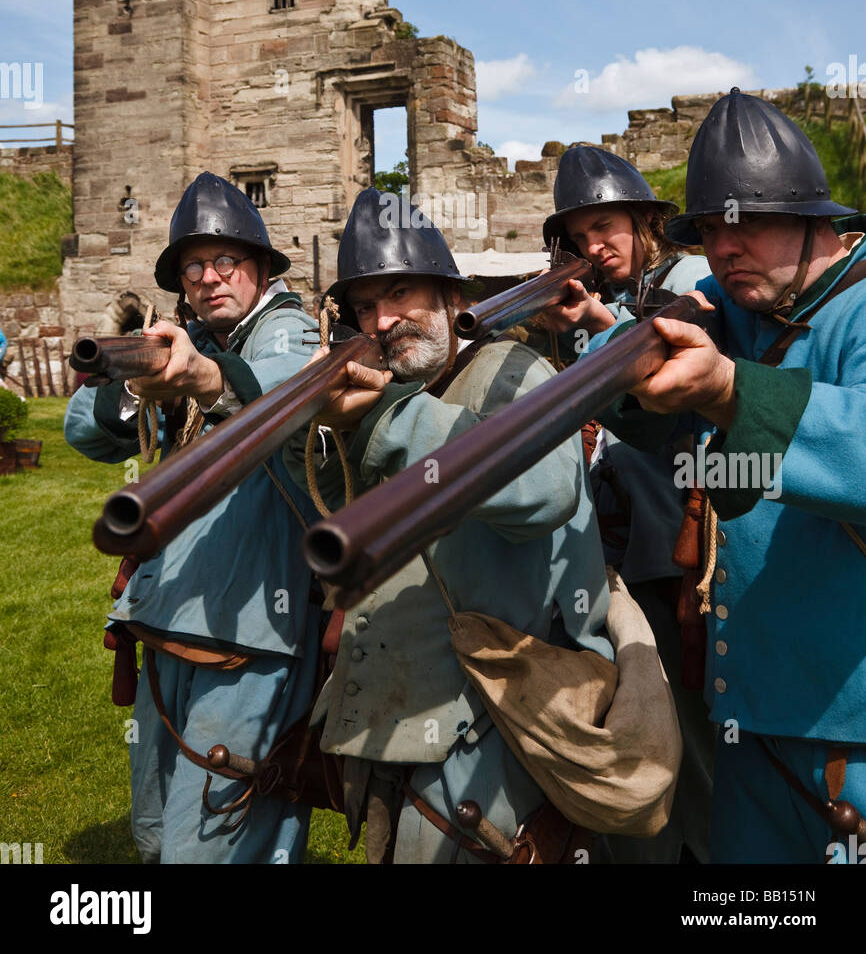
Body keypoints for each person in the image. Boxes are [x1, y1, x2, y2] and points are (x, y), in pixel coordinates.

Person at [283, 186, 616, 864]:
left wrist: (388, 418)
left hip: (493, 719)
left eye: (400, 293)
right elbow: (329, 496)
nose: (383, 320)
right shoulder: (396, 396)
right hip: (399, 712)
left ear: (452, 298)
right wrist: (309, 423)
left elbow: (546, 491)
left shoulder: (514, 371)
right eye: (366, 306)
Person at [591, 89, 866, 863]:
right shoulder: (729, 304)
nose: (723, 247)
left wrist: (729, 387)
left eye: (746, 223)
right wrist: (640, 342)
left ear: (813, 220)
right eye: (710, 229)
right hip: (748, 720)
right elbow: (609, 366)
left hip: (853, 730)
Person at [65, 172, 321, 864]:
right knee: (155, 831)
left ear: (260, 265)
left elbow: (278, 393)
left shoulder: (291, 333)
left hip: (251, 629)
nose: (209, 278)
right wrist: (135, 379)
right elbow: (82, 432)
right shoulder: (192, 339)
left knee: (211, 840)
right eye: (193, 266)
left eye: (225, 260)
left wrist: (202, 378)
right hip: (171, 614)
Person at [539, 145, 714, 863]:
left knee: (700, 746)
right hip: (624, 557)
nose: (594, 247)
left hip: (684, 560)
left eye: (605, 227)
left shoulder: (693, 282)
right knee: (639, 736)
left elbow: (670, 375)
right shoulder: (612, 304)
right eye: (579, 237)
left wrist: (600, 324)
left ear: (645, 222)